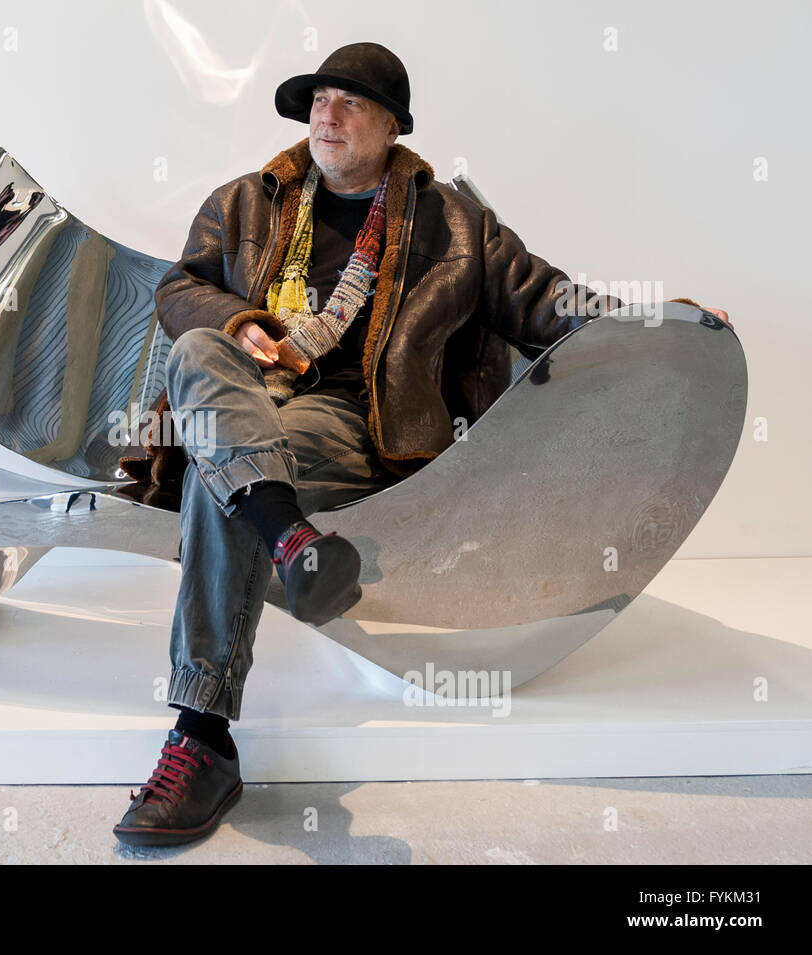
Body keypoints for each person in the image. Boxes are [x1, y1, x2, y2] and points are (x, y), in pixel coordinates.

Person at [111, 41, 732, 848]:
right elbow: (178, 289)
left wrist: (664, 322)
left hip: (344, 423)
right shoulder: (248, 201)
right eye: (318, 100)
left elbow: (549, 302)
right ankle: (292, 539)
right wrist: (244, 321)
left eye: (348, 103)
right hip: (239, 394)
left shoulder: (455, 225)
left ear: (393, 128)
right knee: (200, 354)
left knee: (217, 477)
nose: (324, 116)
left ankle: (201, 739)